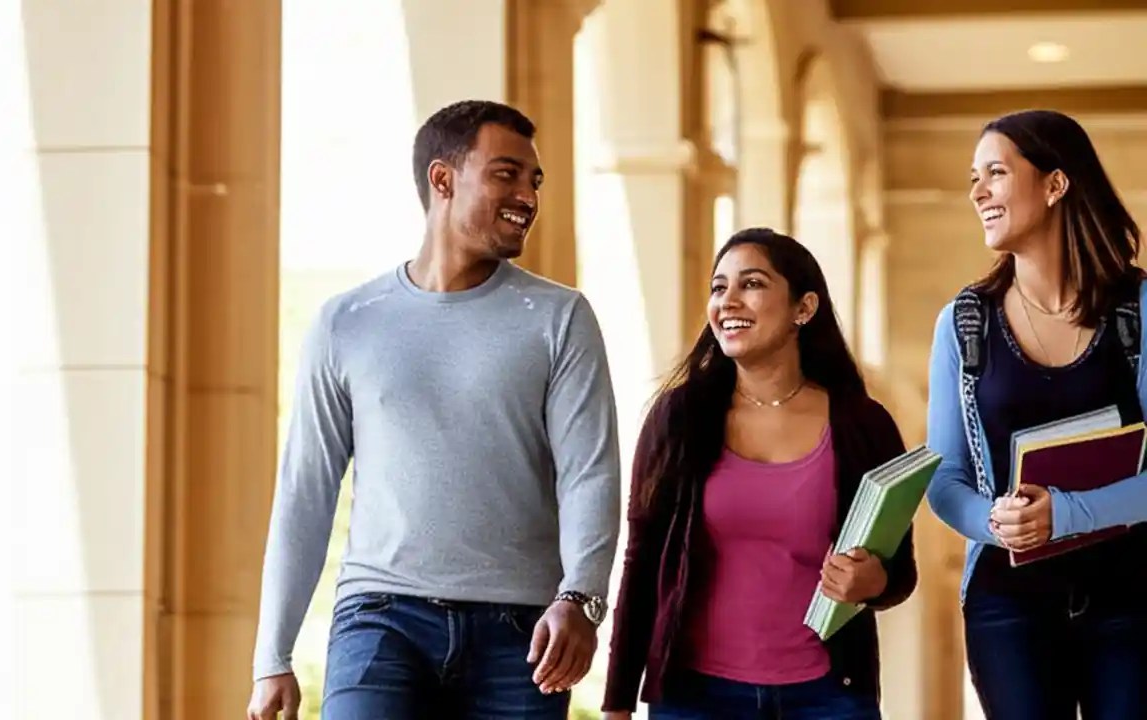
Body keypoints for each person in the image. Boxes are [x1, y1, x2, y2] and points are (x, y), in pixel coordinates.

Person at [245, 100, 621, 720]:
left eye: (535, 180)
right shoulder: (348, 322)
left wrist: (581, 599)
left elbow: (590, 473)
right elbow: (304, 492)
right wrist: (272, 656)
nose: (527, 194)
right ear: (442, 180)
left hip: (521, 635)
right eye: (507, 173)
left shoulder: (560, 319)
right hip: (380, 620)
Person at [601, 228, 916, 720]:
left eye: (751, 283)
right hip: (695, 700)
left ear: (803, 308)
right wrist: (617, 704)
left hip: (828, 697)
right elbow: (642, 562)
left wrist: (872, 581)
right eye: (718, 287)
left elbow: (899, 572)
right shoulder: (678, 417)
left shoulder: (862, 424)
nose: (728, 300)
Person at [926, 109, 1147, 719]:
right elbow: (944, 483)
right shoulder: (963, 324)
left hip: (1132, 596)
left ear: (1056, 184)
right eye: (974, 177)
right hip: (1008, 604)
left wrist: (1070, 515)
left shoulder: (1139, 311)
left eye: (996, 173)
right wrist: (995, 522)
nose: (978, 192)